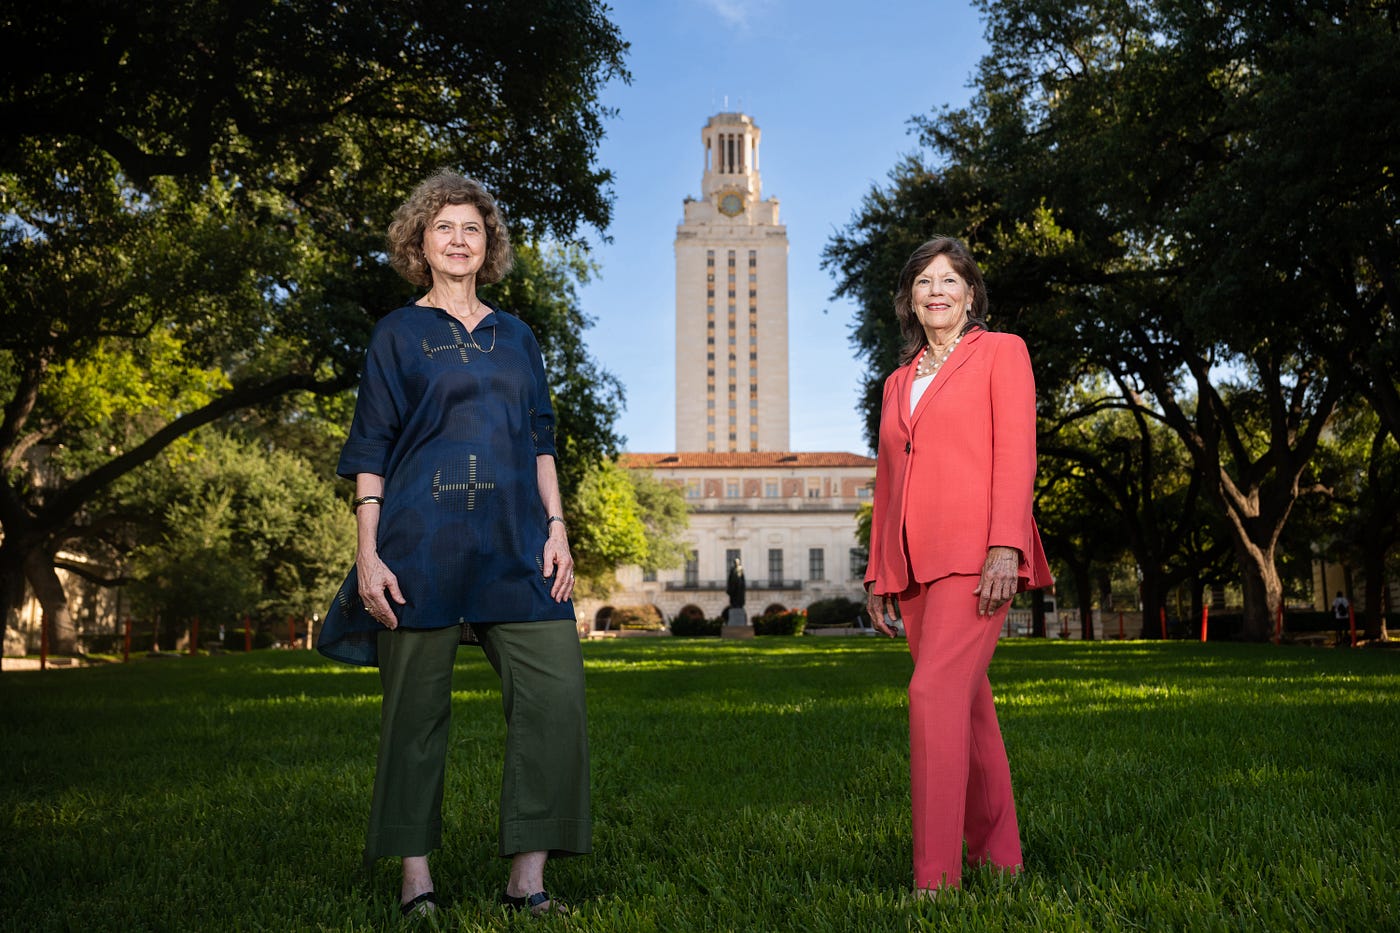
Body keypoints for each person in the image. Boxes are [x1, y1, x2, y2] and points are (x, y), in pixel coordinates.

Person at [317, 169, 588, 918]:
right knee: (414, 712)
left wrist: (559, 527)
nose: (459, 239)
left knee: (556, 694)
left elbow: (541, 442)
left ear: (488, 243)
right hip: (418, 542)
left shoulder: (519, 335)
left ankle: (527, 880)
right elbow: (370, 446)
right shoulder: (397, 333)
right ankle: (416, 877)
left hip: (516, 544)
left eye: (472, 228)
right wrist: (368, 551)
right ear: (420, 243)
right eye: (445, 228)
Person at [864, 236, 1053, 895]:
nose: (936, 290)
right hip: (914, 566)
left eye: (949, 279)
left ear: (971, 294)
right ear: (909, 300)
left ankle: (935, 878)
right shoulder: (895, 384)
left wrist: (1007, 542)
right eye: (924, 282)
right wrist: (878, 572)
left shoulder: (1003, 352)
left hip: (977, 558)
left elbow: (1017, 451)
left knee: (930, 695)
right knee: (969, 710)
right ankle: (1001, 858)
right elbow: (889, 480)